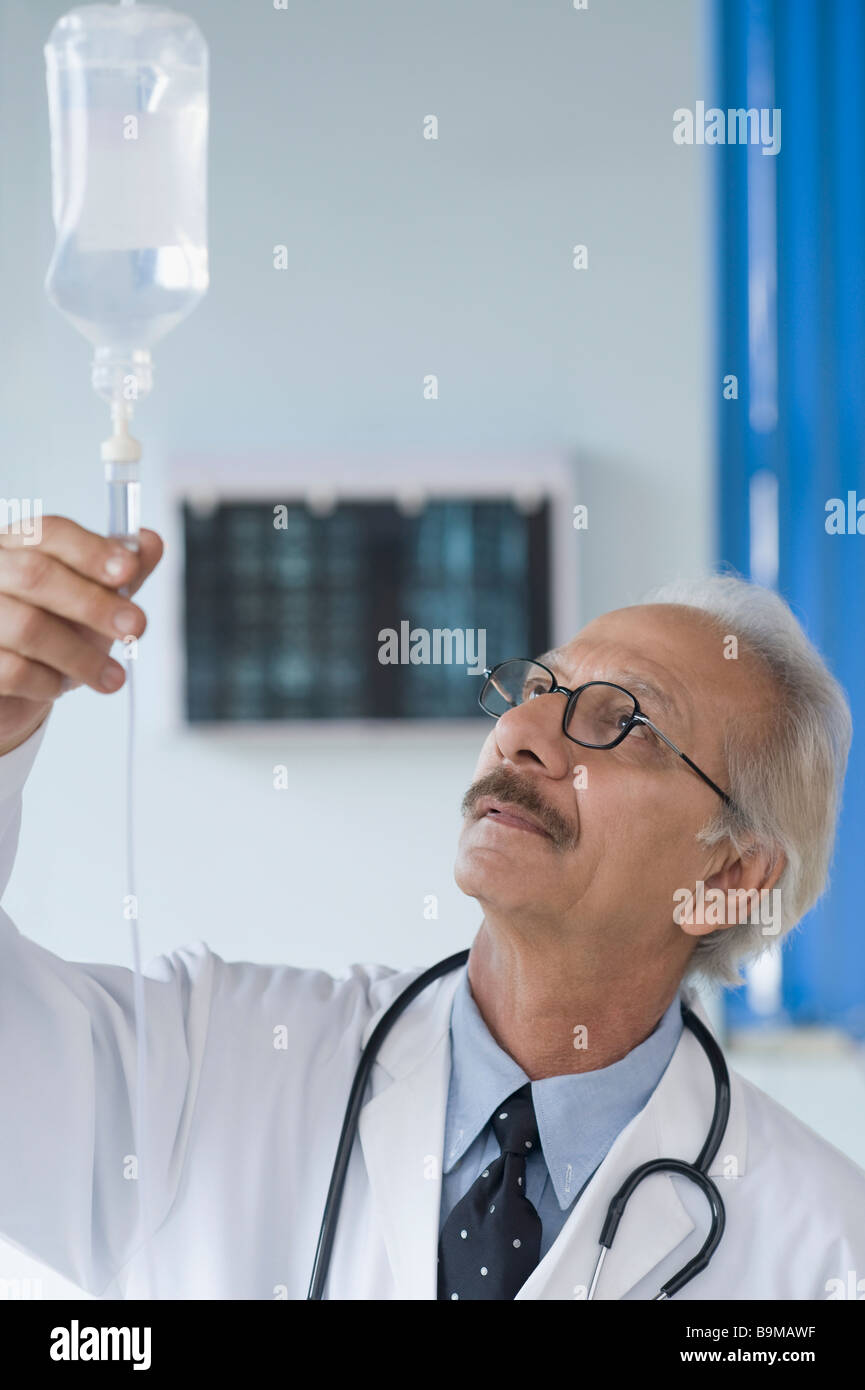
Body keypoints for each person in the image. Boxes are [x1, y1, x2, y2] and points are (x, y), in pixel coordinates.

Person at [0, 516, 863, 1301]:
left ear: (728, 878)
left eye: (623, 722)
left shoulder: (823, 1249)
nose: (523, 733)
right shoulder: (206, 1065)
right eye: (538, 688)